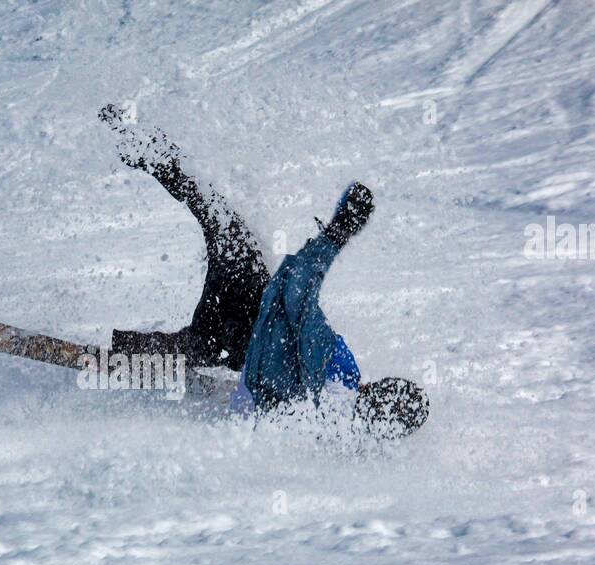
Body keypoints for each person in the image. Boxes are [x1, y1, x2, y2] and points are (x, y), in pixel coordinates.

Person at [101, 105, 427, 437]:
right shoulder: (329, 434)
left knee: (218, 216)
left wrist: (336, 235)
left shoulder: (338, 370)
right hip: (240, 346)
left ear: (376, 390)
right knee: (205, 343)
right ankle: (121, 347)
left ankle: (145, 149)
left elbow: (298, 295)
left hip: (247, 301)